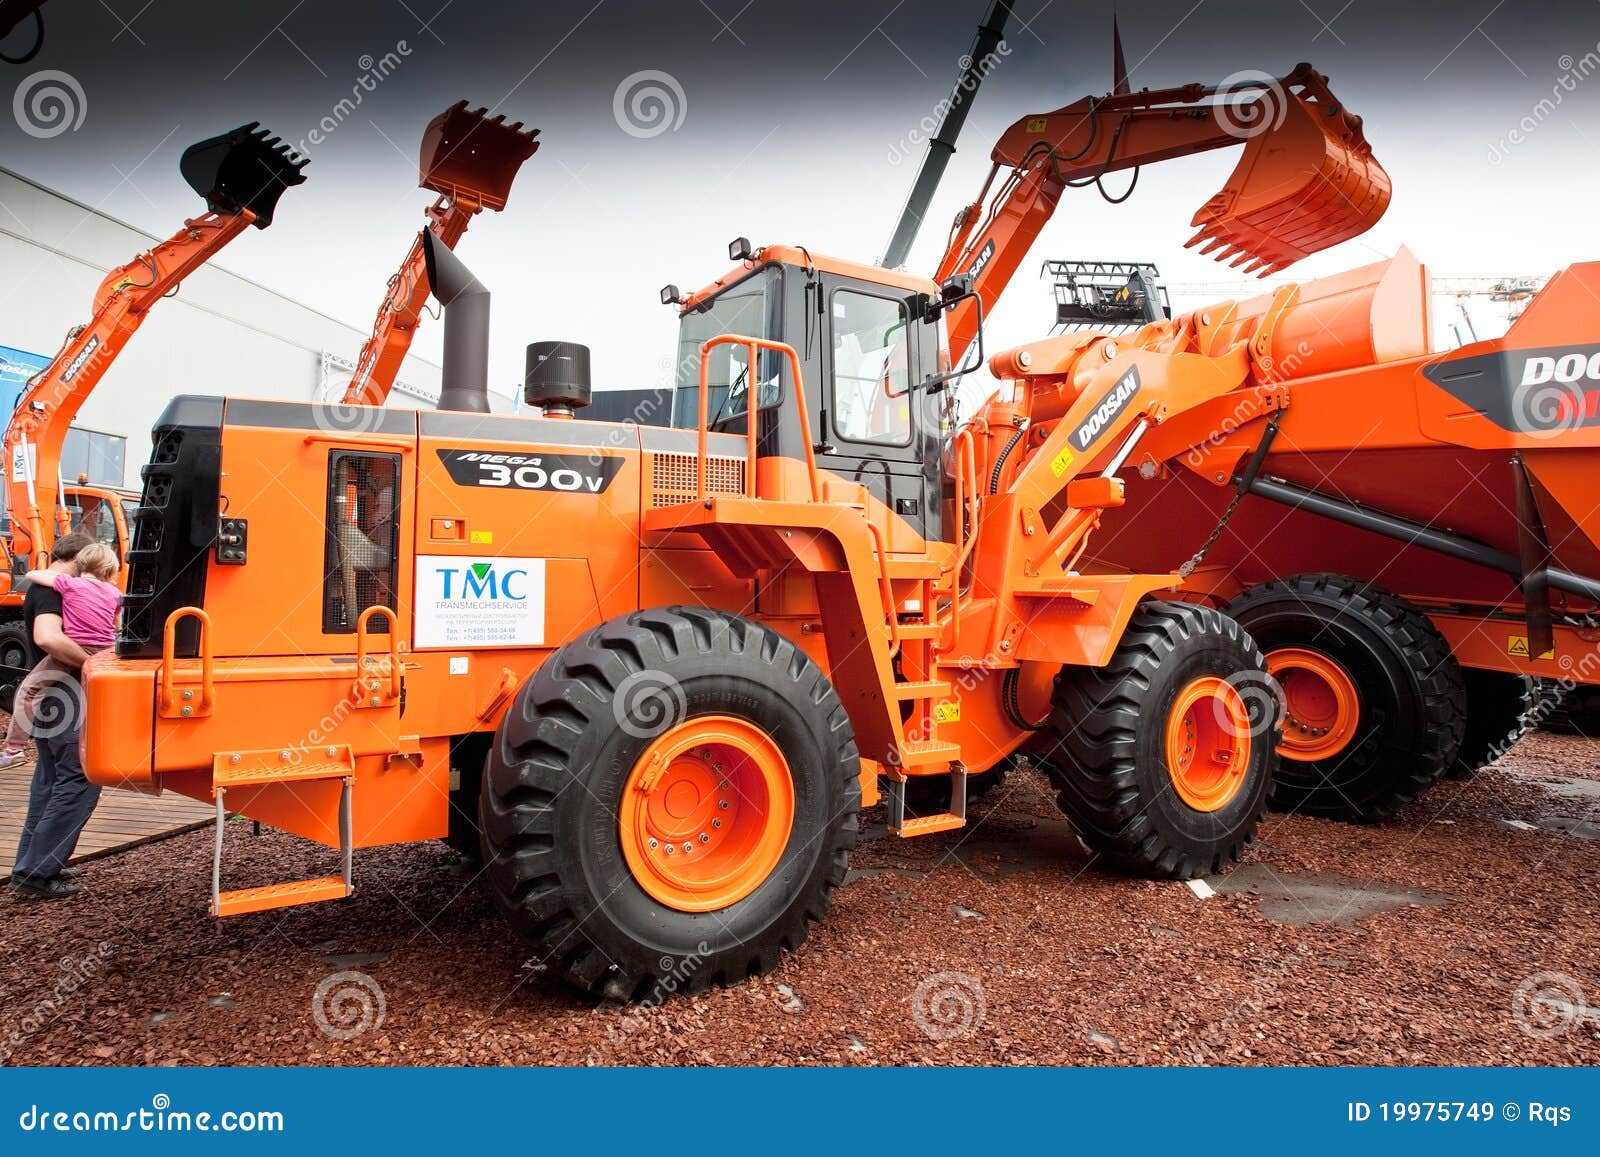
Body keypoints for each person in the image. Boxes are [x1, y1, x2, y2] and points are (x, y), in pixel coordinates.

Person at [9, 532, 100, 900]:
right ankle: (37, 871)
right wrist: (95, 663)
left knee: (49, 784)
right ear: (77, 556)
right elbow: (48, 637)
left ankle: (32, 863)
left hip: (51, 699)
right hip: (63, 696)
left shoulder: (46, 588)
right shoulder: (52, 592)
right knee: (80, 779)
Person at [0, 541, 119, 765]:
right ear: (110, 569)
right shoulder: (115, 593)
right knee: (96, 698)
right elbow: (117, 626)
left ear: (80, 562)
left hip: (75, 647)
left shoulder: (69, 584)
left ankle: (14, 748)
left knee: (29, 689)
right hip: (104, 650)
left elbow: (33, 575)